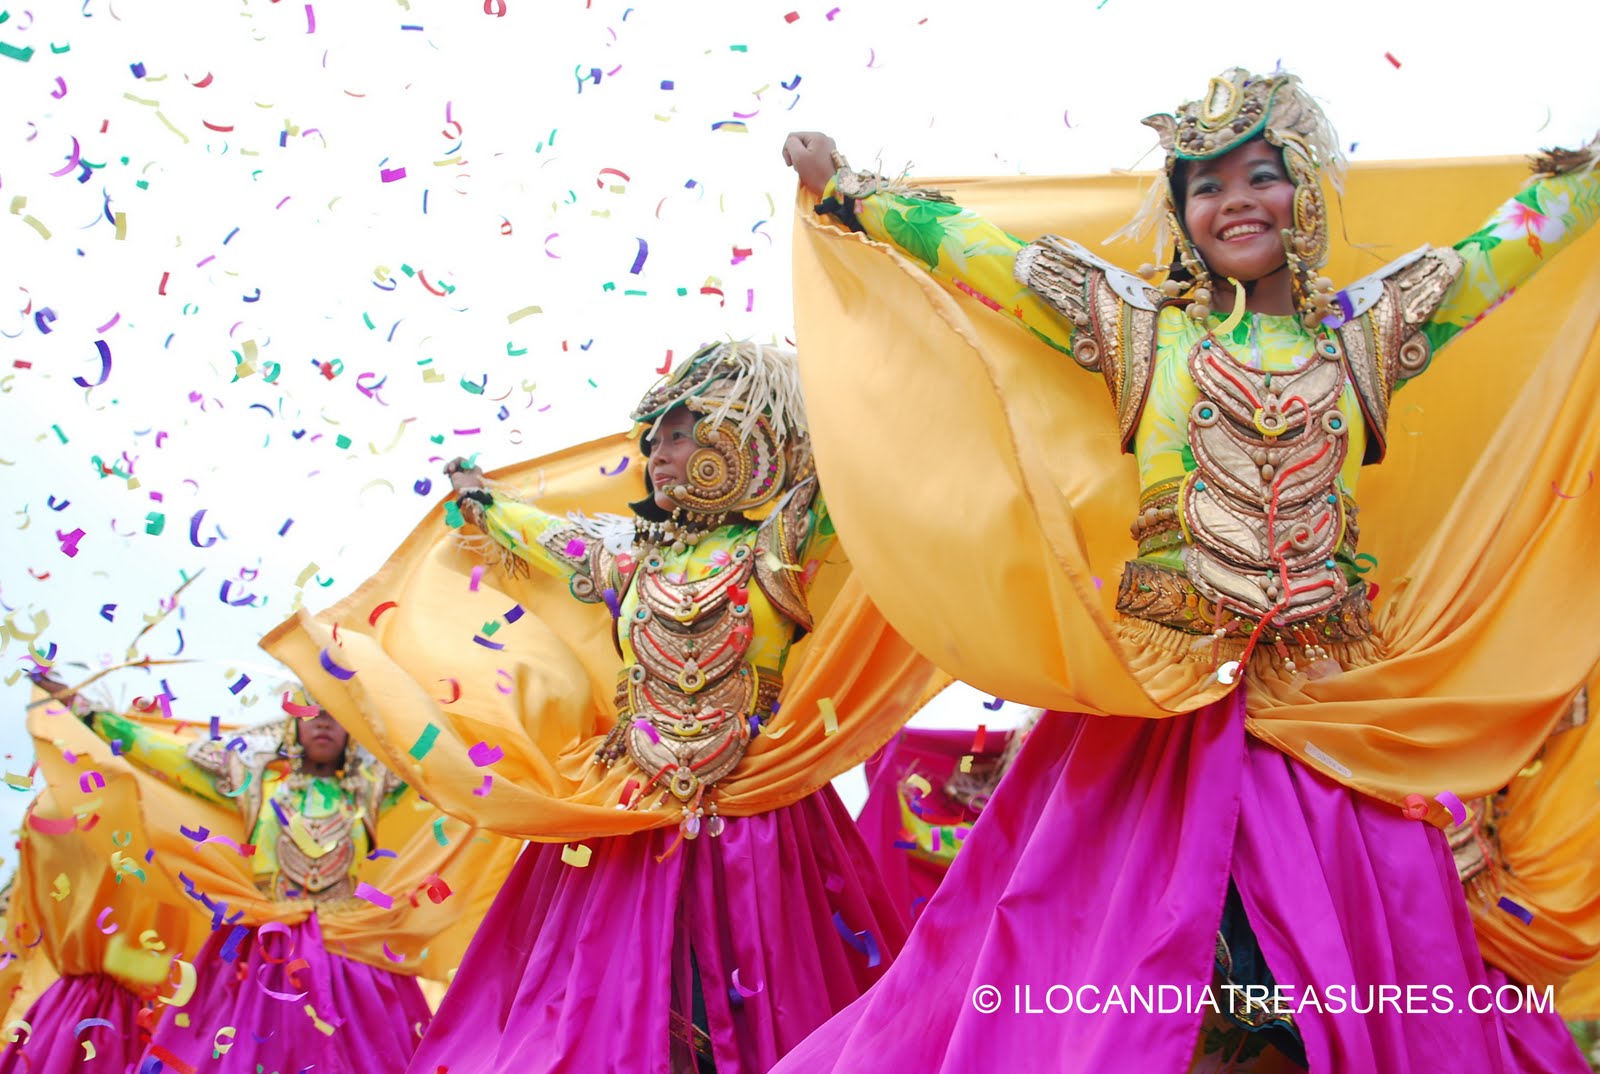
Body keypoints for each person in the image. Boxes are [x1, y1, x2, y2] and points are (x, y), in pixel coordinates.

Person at [775, 66, 1600, 1072]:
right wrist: (856, 195)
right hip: (1162, 709)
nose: (1235, 202)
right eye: (1204, 186)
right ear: (1179, 212)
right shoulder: (1143, 329)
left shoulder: (1363, 333)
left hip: (1326, 717)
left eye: (1260, 175)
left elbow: (1496, 260)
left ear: (1303, 187)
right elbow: (988, 261)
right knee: (1119, 983)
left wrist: (1577, 187)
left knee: (1338, 987)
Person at [262, 340, 938, 1073]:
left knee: (776, 1010)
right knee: (617, 1015)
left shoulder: (786, 537)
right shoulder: (628, 555)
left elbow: (872, 470)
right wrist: (483, 503)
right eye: (655, 442)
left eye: (680, 433)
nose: (660, 456)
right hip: (628, 820)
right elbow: (540, 534)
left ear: (734, 433)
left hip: (760, 811)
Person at [26, 672, 510, 1074]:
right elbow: (157, 750)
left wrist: (501, 723)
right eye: (311, 713)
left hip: (350, 948)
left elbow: (447, 764)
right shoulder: (250, 776)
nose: (323, 723)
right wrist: (88, 712)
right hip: (261, 951)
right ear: (292, 724)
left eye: (335, 716)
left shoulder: (375, 783)